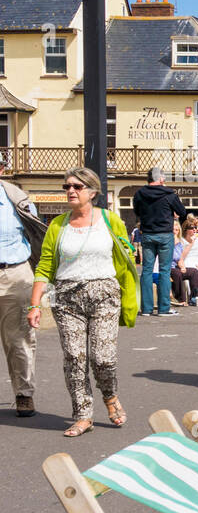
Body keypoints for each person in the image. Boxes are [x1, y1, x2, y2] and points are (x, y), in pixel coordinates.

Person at [27, 167, 138, 436]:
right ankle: (83, 414)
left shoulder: (111, 221)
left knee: (103, 358)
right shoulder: (57, 225)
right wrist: (34, 304)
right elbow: (45, 265)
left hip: (105, 295)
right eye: (67, 187)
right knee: (75, 357)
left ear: (92, 191)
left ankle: (110, 397)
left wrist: (129, 297)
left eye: (77, 187)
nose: (71, 191)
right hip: (67, 297)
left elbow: (126, 258)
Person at [1, 171, 45, 417]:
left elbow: (35, 235)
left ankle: (24, 394)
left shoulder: (17, 200)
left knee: (19, 339)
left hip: (15, 274)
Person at [132, 167, 187, 317]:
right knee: (164, 270)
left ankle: (146, 309)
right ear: (161, 179)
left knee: (147, 271)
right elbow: (182, 212)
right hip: (165, 235)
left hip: (148, 234)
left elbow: (136, 211)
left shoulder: (139, 194)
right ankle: (163, 308)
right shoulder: (169, 194)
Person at [170, 218, 198, 306]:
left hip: (177, 266)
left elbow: (181, 258)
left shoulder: (180, 243)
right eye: (173, 230)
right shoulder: (167, 242)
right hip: (168, 267)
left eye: (177, 230)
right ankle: (180, 299)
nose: (175, 232)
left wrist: (182, 266)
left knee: (193, 271)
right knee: (177, 274)